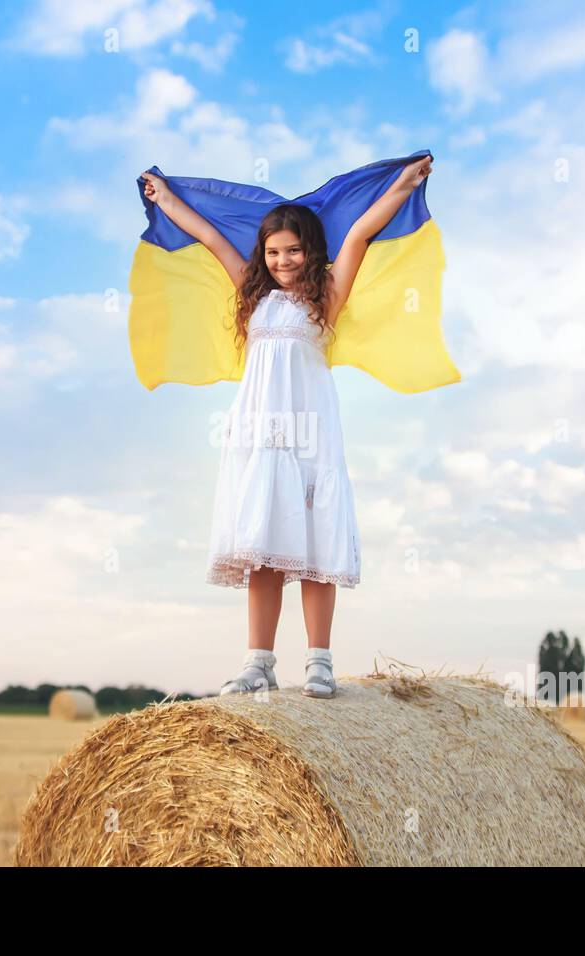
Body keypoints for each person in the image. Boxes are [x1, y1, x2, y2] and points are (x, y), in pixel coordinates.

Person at [140, 155, 434, 700]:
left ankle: (319, 662)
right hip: (259, 434)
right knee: (263, 546)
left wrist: (404, 184)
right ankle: (259, 662)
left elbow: (365, 230)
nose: (283, 260)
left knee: (316, 540)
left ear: (311, 251)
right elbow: (206, 234)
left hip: (311, 432)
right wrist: (165, 199)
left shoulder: (326, 296)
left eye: (293, 250)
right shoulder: (253, 297)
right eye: (274, 252)